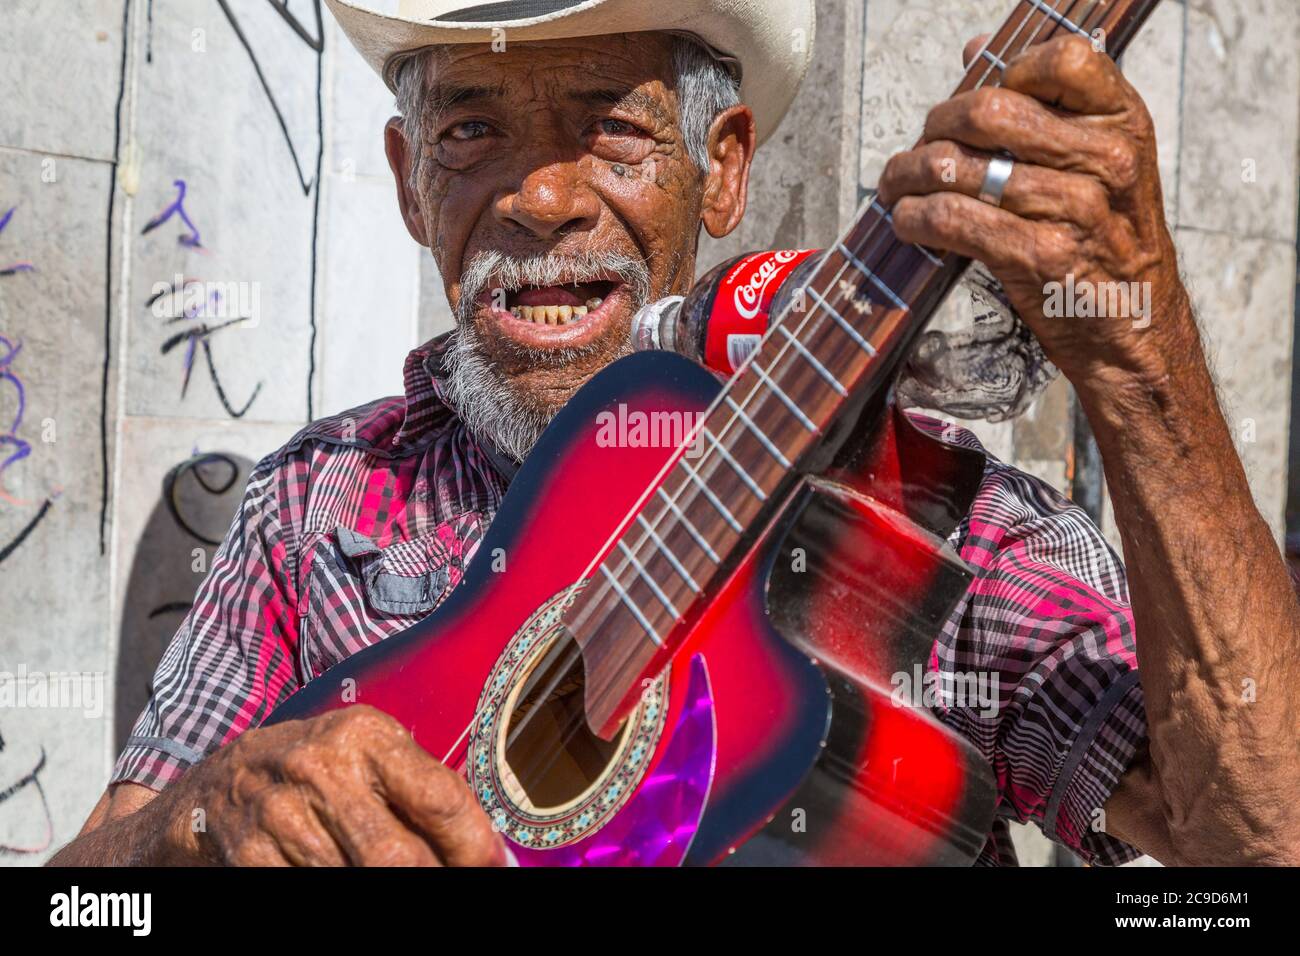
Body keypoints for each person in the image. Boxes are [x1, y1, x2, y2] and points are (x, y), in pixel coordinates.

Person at [51, 0, 1297, 866]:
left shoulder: (919, 526)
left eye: (611, 126)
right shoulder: (315, 506)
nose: (540, 199)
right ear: (406, 178)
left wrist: (1143, 368)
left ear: (724, 168)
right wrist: (198, 822)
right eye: (471, 130)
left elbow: (1260, 835)